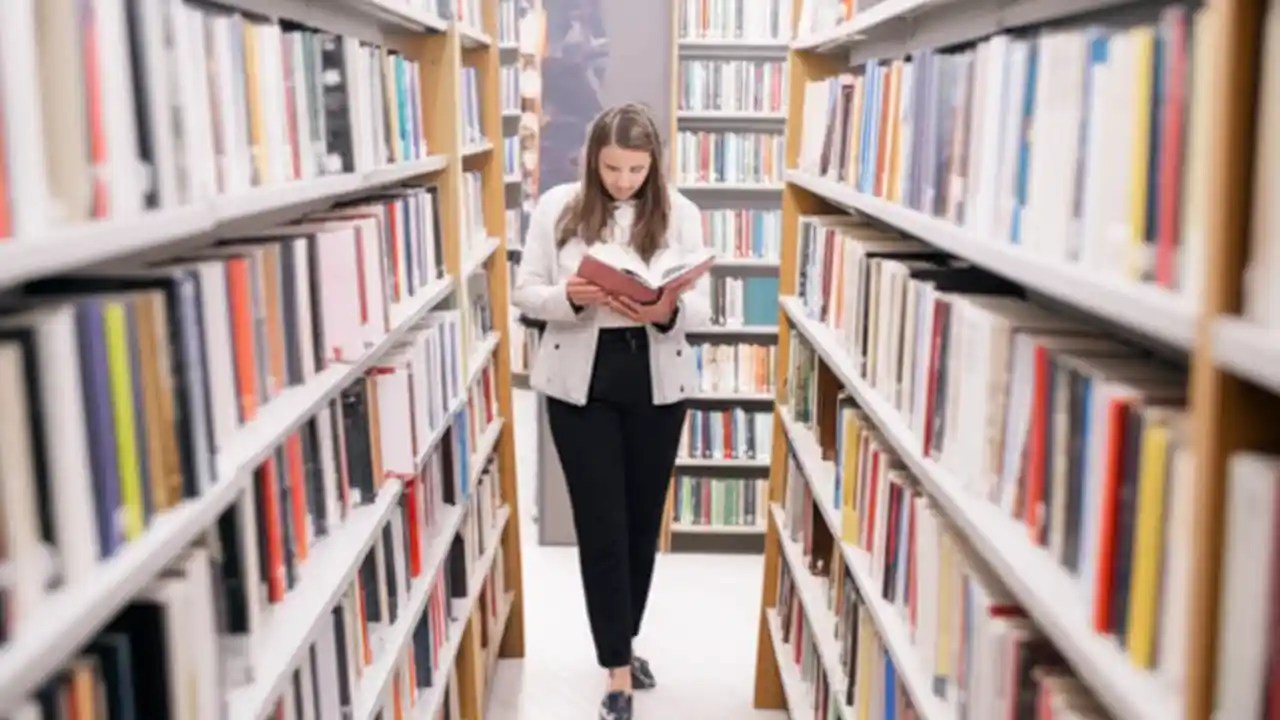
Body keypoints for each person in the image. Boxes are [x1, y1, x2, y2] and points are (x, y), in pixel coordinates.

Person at [512, 103, 712, 720]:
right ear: (592, 158)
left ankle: (623, 637)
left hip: (656, 385)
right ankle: (617, 673)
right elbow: (526, 292)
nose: (623, 181)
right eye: (611, 168)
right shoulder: (558, 208)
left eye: (635, 169)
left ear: (654, 164)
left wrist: (666, 310)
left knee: (639, 524)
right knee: (601, 526)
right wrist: (569, 296)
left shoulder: (680, 212)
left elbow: (703, 309)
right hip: (581, 387)